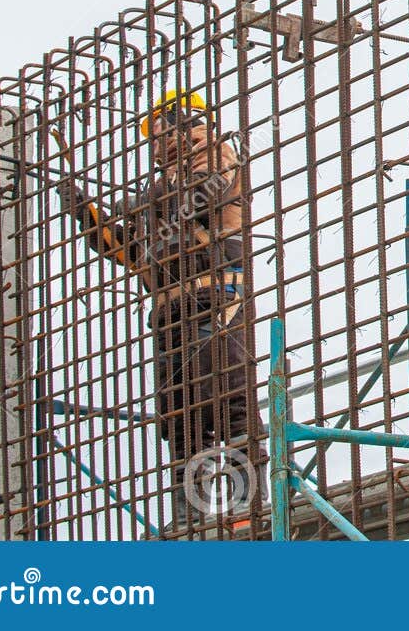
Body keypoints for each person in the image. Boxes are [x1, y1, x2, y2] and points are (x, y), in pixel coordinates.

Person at [58, 88, 262, 528]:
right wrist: (86, 212)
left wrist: (152, 197)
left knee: (229, 397)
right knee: (180, 413)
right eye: (156, 136)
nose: (162, 142)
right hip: (170, 312)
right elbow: (128, 252)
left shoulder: (220, 157)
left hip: (216, 299)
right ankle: (191, 514)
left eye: (167, 130)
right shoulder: (155, 193)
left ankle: (247, 505)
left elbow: (204, 197)